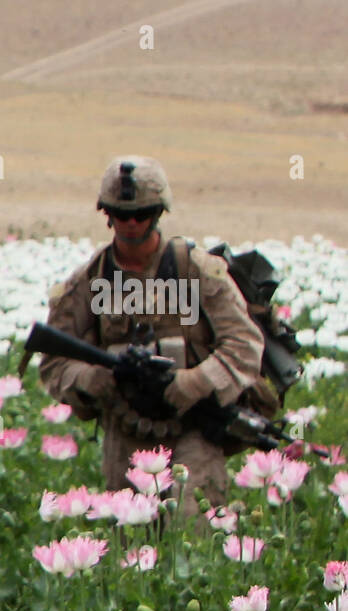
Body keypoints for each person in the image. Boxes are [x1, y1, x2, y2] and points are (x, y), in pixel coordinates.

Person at [38, 155, 263, 521]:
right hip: (125, 431)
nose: (129, 223)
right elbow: (53, 362)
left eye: (140, 214)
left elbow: (245, 345)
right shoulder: (89, 281)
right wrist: (90, 378)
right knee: (131, 546)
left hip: (192, 426)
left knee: (190, 530)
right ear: (106, 214)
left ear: (158, 213)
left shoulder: (197, 271)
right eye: (120, 213)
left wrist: (195, 381)